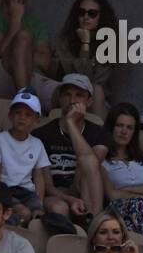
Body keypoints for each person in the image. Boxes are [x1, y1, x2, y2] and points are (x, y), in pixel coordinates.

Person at [33, 75, 107, 221]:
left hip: (83, 189)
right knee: (60, 207)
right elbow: (46, 185)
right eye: (67, 94)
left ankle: (92, 225)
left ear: (89, 101)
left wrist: (71, 124)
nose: (72, 100)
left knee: (88, 163)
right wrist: (69, 199)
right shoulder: (41, 134)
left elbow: (91, 166)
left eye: (79, 95)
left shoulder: (99, 133)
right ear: (60, 99)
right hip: (55, 194)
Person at [96, 103, 143, 239]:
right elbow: (112, 195)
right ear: (111, 127)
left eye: (129, 128)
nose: (124, 131)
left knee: (142, 207)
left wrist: (129, 188)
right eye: (119, 125)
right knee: (140, 205)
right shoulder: (103, 161)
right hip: (117, 213)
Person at [0, 90, 53, 224]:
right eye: (18, 113)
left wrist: (39, 202)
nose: (22, 117)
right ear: (10, 115)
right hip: (4, 189)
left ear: (36, 120)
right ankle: (8, 224)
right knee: (24, 213)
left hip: (27, 192)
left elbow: (39, 177)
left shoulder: (37, 144)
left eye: (28, 114)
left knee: (38, 215)